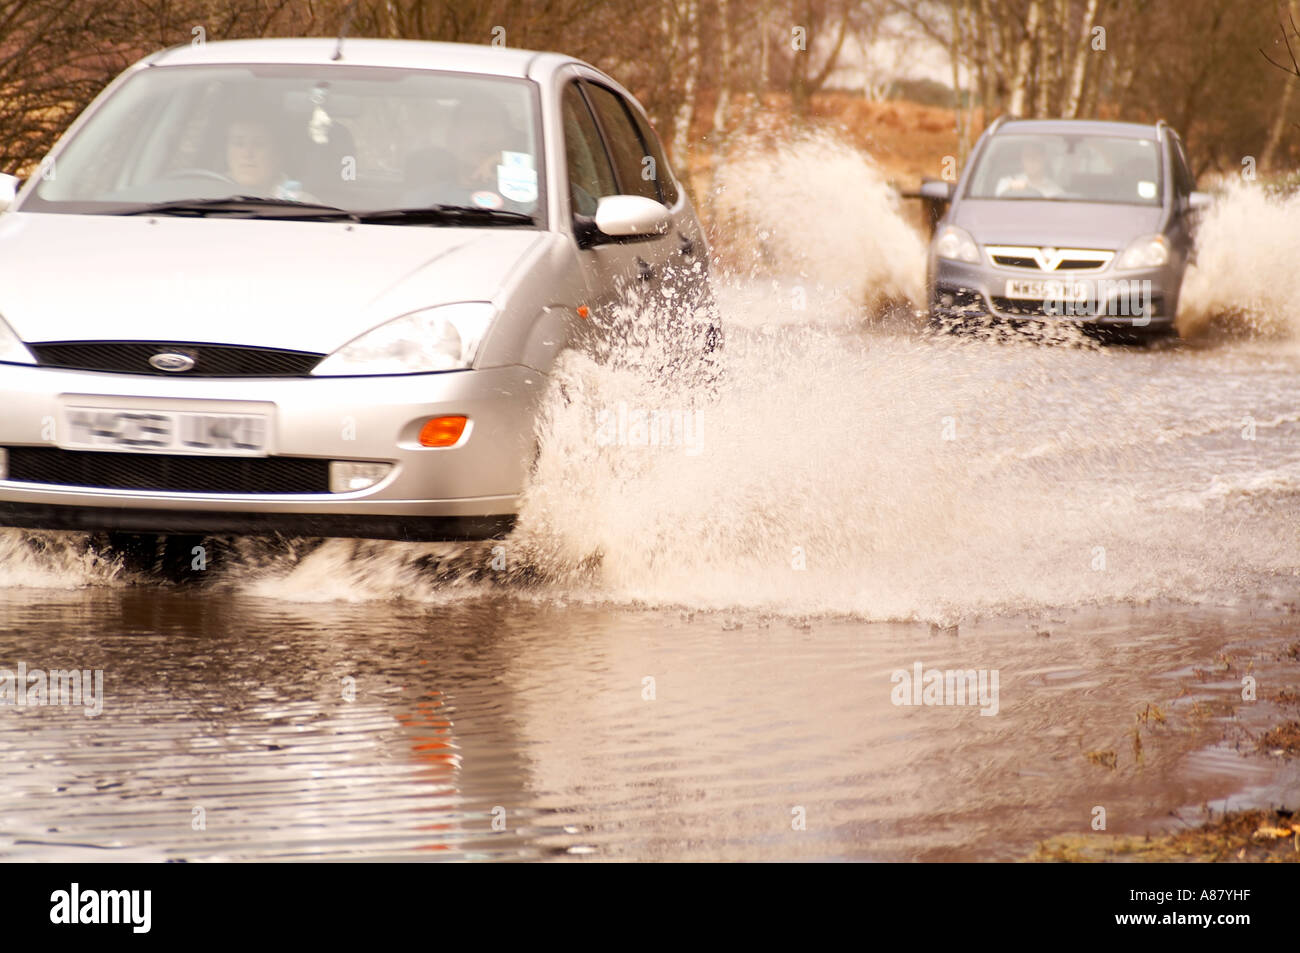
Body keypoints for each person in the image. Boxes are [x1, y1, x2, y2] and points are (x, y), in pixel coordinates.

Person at [224, 113, 317, 202]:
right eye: (238, 143)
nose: (247, 154)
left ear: (278, 154)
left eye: (258, 144)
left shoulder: (305, 206)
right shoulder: (211, 200)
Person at [995, 141, 1065, 198]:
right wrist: (1010, 189)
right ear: (1022, 160)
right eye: (1027, 156)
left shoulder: (1055, 191)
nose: (1032, 160)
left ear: (1044, 159)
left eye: (1036, 155)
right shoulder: (1007, 183)